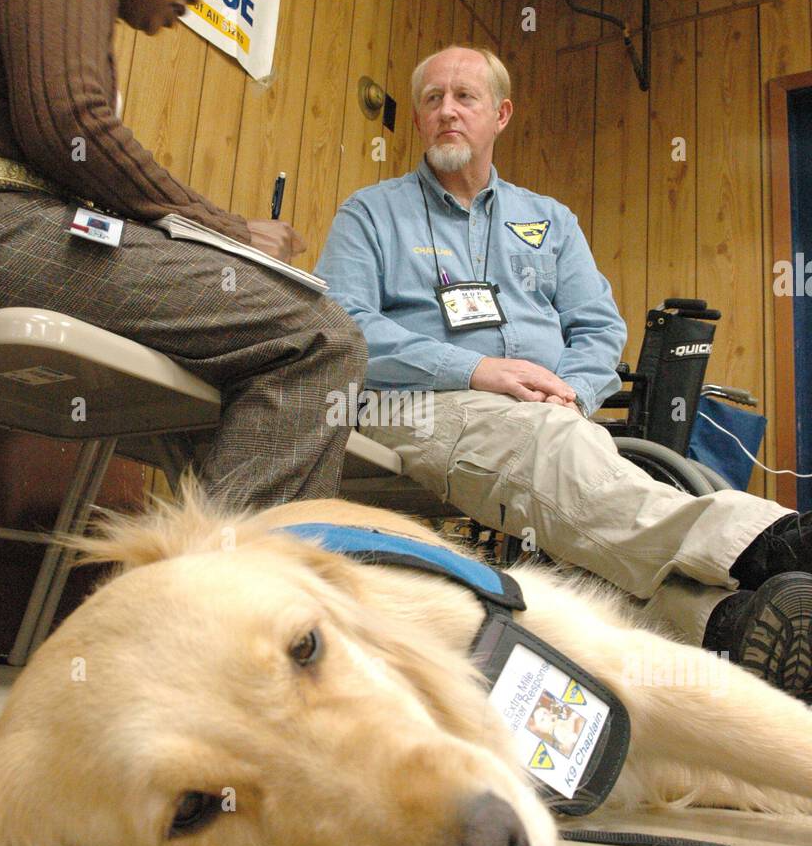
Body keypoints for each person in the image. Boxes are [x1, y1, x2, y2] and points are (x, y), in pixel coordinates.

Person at [317, 45, 812, 698]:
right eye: (432, 98)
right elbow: (345, 329)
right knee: (555, 453)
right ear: (416, 118)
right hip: (411, 405)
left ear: (501, 114)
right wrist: (476, 369)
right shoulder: (371, 213)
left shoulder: (548, 220)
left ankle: (731, 626)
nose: (446, 111)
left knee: (581, 511)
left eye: (465, 96)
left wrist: (571, 395)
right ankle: (767, 545)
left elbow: (598, 327)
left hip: (549, 418)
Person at [0, 0, 366, 507]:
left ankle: (211, 567)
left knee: (252, 353)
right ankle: (230, 600)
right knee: (318, 335)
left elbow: (69, 141)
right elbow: (73, 127)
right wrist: (229, 231)